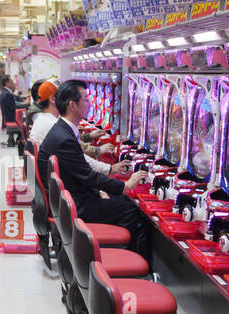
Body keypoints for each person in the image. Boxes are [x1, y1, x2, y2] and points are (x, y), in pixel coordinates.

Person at [38, 80, 151, 261]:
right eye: (86, 99)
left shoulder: (63, 130)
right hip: (75, 205)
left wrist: (104, 187)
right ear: (72, 105)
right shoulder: (64, 137)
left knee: (120, 199)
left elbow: (80, 172)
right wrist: (125, 185)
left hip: (69, 199)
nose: (90, 103)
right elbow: (87, 176)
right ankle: (126, 260)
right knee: (129, 208)